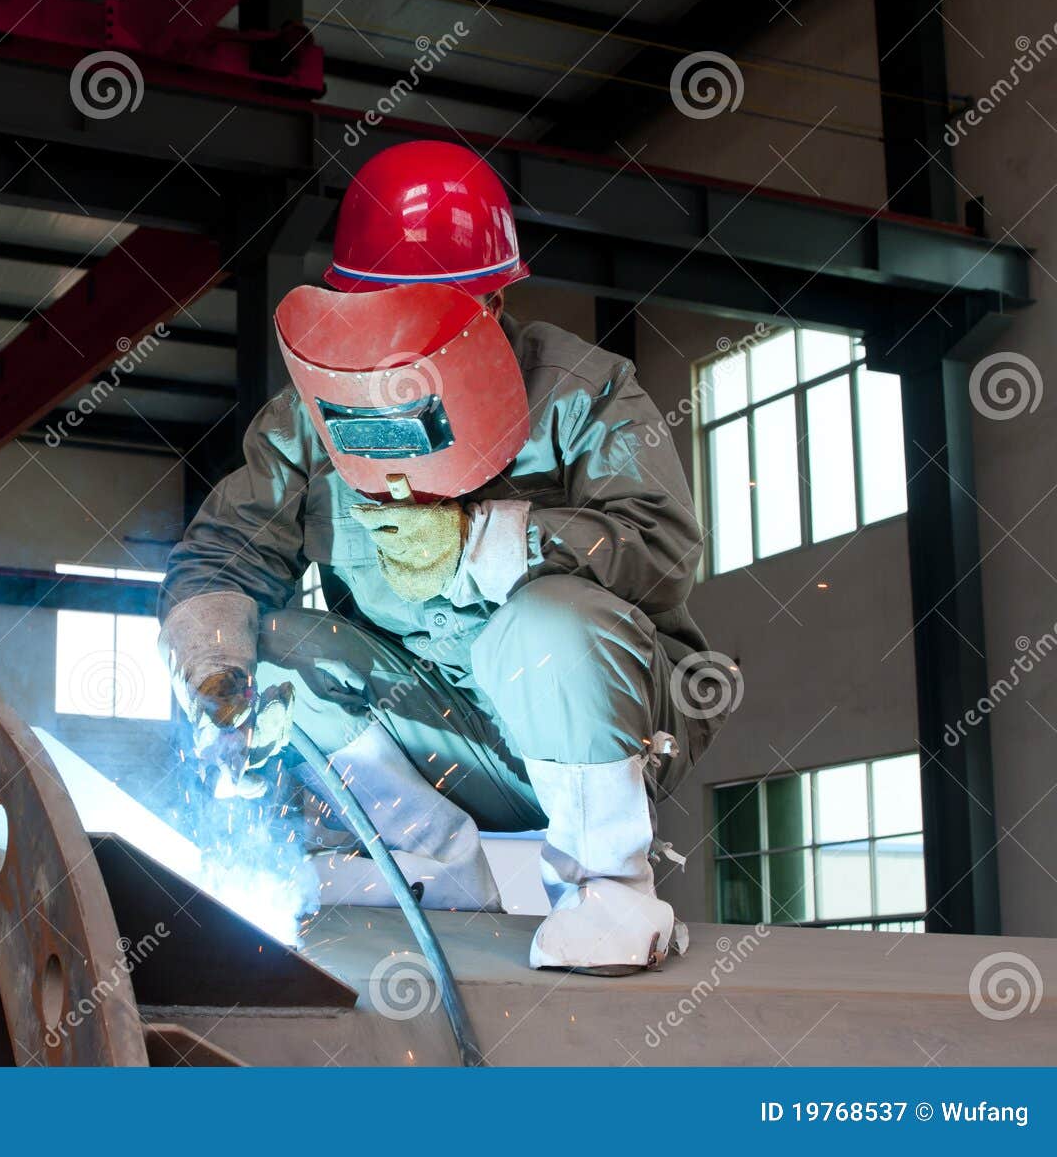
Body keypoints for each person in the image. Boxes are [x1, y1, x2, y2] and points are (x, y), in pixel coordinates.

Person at [157, 139, 726, 975]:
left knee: (546, 625)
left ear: (493, 302)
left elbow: (665, 547)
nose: (399, 347)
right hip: (430, 736)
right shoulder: (313, 417)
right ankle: (435, 863)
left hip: (581, 721)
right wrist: (215, 676)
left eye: (425, 319)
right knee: (275, 648)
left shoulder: (584, 391)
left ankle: (608, 889)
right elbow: (223, 557)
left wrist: (485, 544)